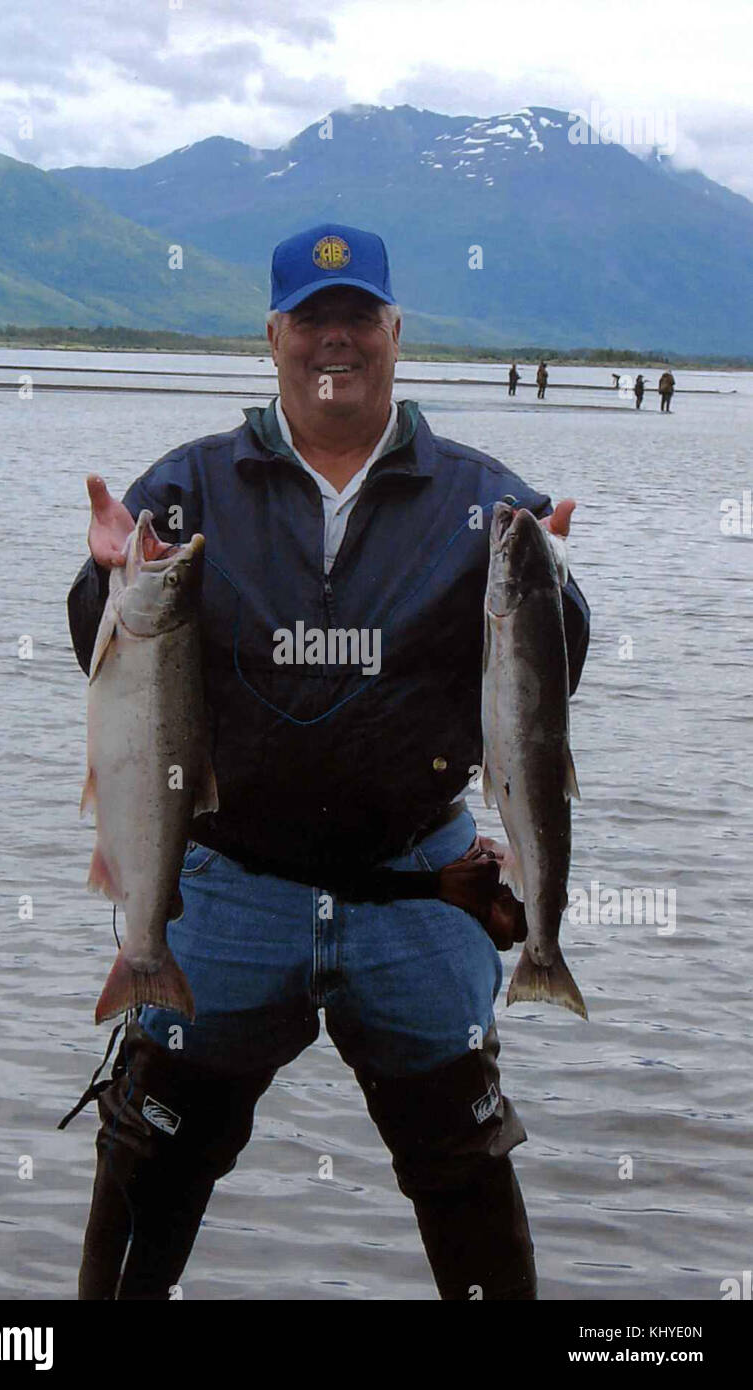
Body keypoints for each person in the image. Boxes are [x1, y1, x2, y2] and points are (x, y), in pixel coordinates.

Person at [66, 222, 590, 1302]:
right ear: (271, 337)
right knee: (146, 1169)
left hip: (418, 890)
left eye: (357, 319)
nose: (333, 343)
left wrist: (558, 592)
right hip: (222, 889)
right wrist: (101, 578)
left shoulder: (484, 501)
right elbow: (109, 661)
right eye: (311, 321)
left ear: (397, 333)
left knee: (466, 1181)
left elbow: (547, 678)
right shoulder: (190, 488)